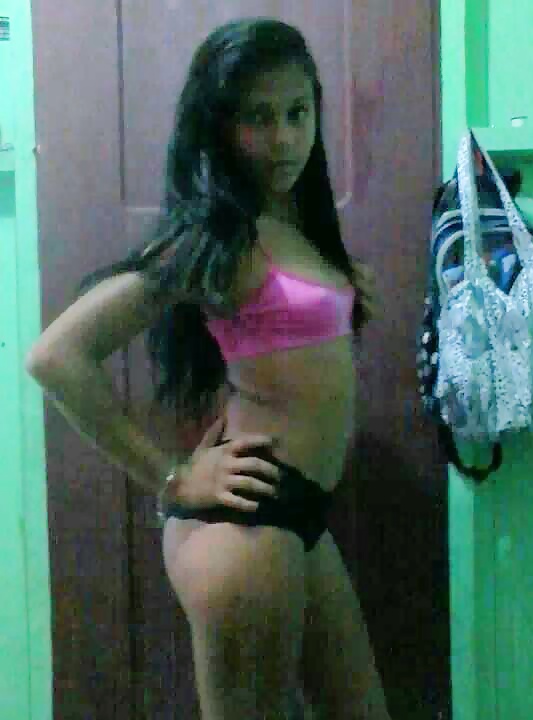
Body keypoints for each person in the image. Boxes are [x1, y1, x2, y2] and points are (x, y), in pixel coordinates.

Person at [25, 17, 391, 720]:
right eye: (259, 118)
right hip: (247, 527)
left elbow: (277, 338)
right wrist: (170, 476)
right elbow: (56, 356)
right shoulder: (216, 239)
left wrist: (343, 294)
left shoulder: (293, 223)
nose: (284, 138)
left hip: (295, 515)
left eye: (297, 112)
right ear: (220, 125)